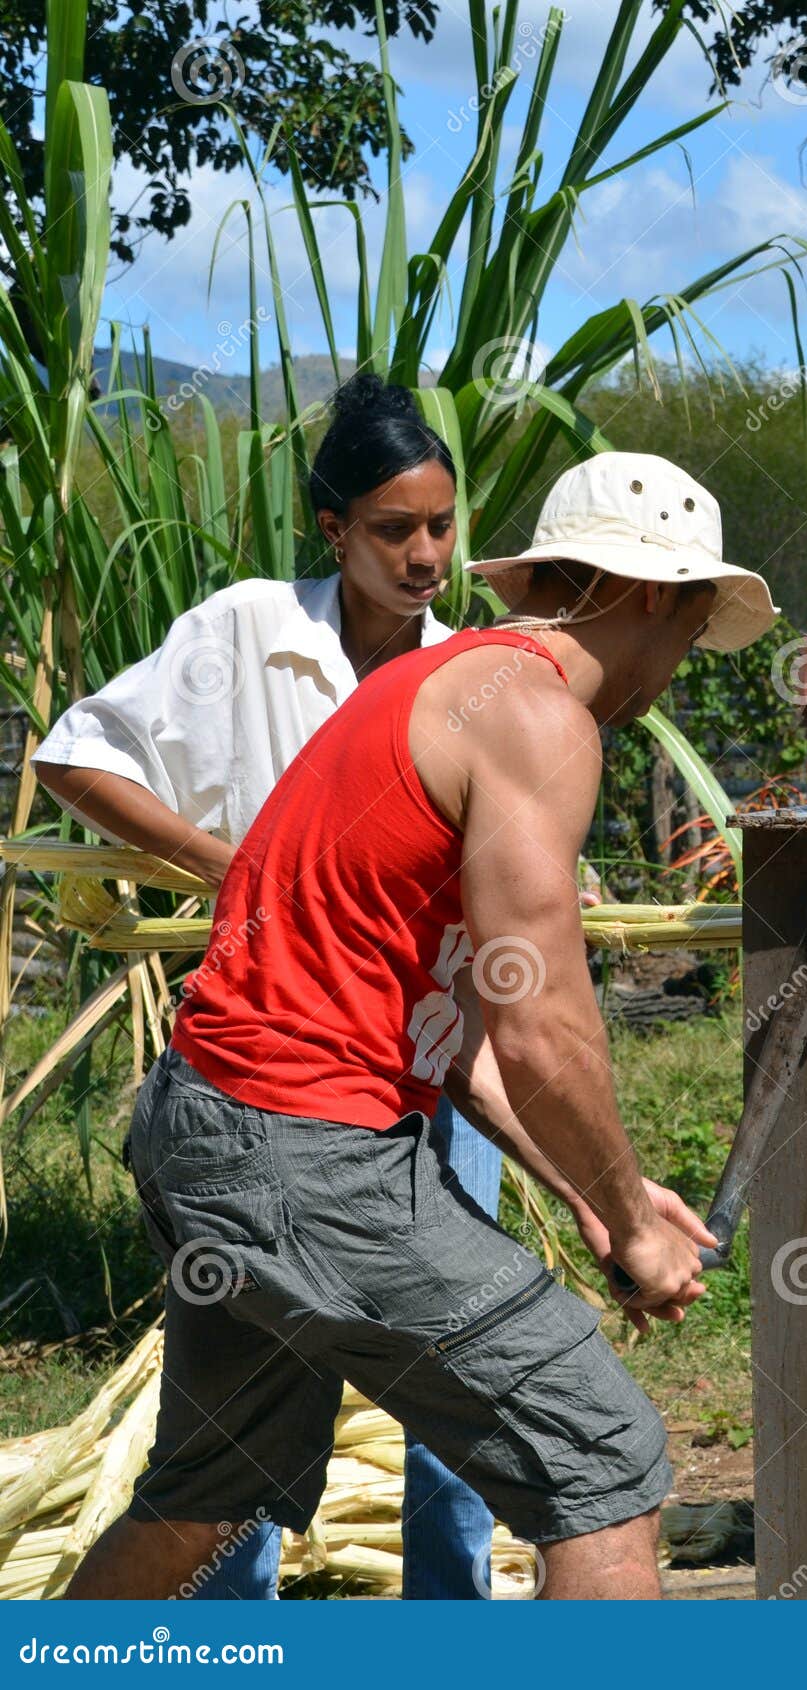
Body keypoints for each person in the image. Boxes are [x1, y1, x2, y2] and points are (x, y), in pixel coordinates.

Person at [63, 450, 778, 1601]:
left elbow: (473, 1050)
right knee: (609, 1462)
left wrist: (612, 1199)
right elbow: (543, 1031)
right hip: (307, 1148)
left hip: (208, 1123)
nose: (677, 671)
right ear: (653, 595)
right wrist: (641, 1241)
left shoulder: (434, 689)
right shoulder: (541, 719)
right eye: (691, 632)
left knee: (205, 1490)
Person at [34, 373, 506, 1599]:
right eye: (392, 528)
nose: (423, 555)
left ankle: (447, 1624)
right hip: (277, 1077)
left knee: (457, 1363)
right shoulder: (250, 634)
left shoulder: (475, 674)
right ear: (330, 528)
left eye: (440, 527)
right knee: (253, 1369)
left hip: (431, 1059)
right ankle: (232, 1628)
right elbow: (78, 752)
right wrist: (232, 864)